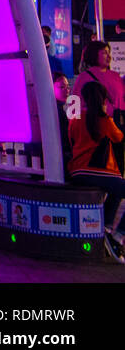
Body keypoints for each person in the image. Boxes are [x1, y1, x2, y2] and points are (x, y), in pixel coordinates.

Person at [67, 80, 125, 256]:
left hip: (77, 171)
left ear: (83, 98)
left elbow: (71, 141)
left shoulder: (75, 119)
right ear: (103, 100)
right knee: (119, 187)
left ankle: (106, 228)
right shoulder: (105, 121)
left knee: (117, 189)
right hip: (101, 172)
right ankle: (117, 236)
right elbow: (119, 137)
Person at [74, 40, 124, 116]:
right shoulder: (84, 78)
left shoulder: (115, 76)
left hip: (117, 123)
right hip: (97, 123)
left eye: (109, 52)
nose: (109, 56)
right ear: (94, 54)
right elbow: (75, 105)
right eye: (104, 53)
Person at [54, 72, 73, 171]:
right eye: (62, 87)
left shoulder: (60, 109)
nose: (67, 91)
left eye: (67, 87)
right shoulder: (55, 111)